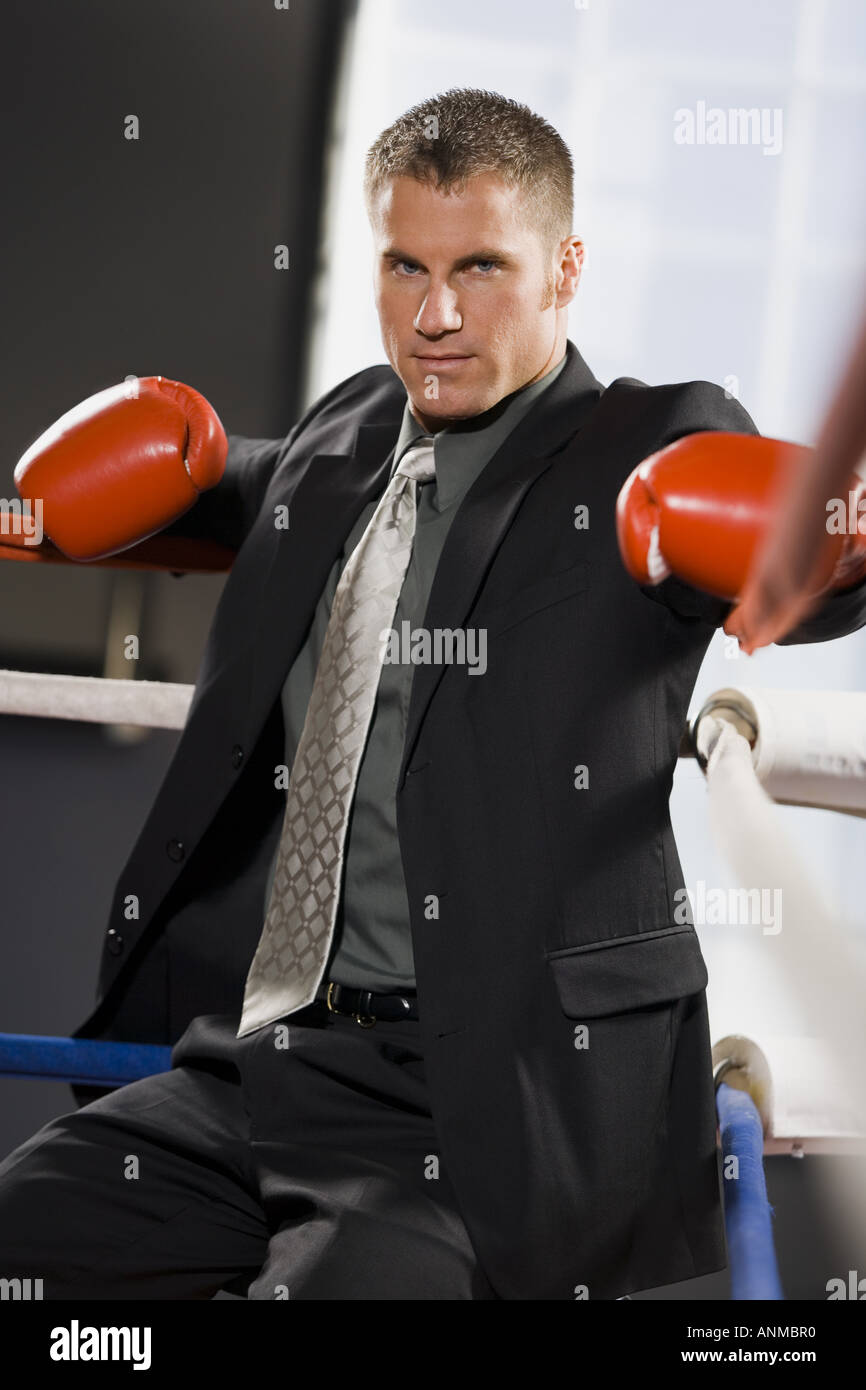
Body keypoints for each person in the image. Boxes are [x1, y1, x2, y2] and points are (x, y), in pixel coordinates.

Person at [2, 88, 866, 1302]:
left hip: (471, 1110)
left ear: (564, 267)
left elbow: (796, 562)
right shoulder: (349, 427)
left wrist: (828, 537)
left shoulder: (647, 447)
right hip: (254, 1065)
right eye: (404, 266)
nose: (436, 314)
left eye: (479, 268)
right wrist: (92, 493)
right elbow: (237, 501)